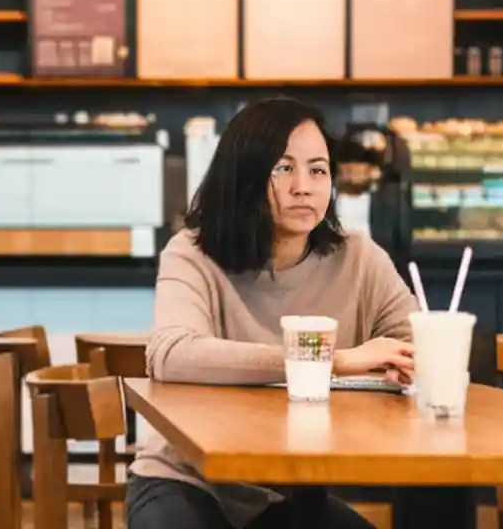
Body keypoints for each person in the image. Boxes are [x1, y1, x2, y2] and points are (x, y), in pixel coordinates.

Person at [126, 97, 419, 529]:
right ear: (243, 177)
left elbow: (411, 346)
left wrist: (412, 365)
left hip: (287, 492)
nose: (304, 186)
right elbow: (171, 354)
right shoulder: (192, 252)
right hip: (186, 479)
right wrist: (327, 358)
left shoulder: (358, 258)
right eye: (284, 169)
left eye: (318, 169)